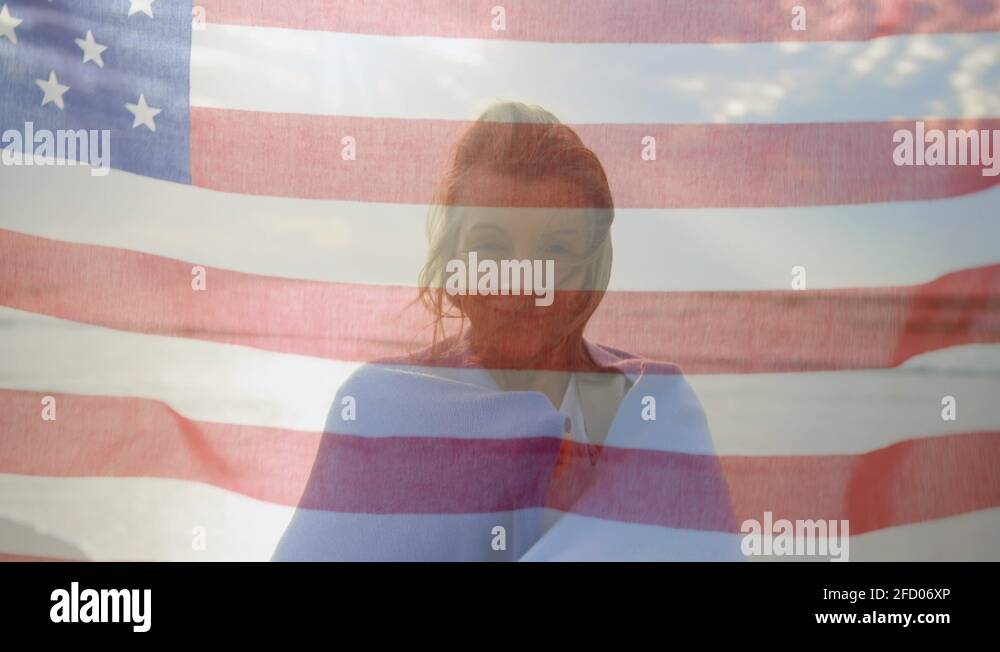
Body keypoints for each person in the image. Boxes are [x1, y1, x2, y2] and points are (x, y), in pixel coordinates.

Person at [273, 102, 741, 561]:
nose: (522, 279)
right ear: (452, 262)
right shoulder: (377, 409)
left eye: (556, 248)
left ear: (593, 269)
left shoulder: (656, 409)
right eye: (490, 246)